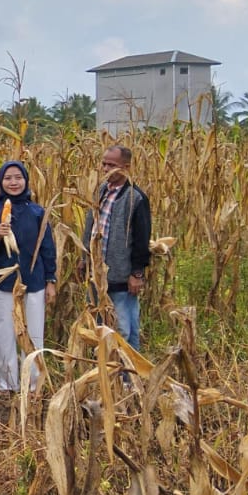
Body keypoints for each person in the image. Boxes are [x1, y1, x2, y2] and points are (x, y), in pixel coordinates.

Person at [0, 160, 57, 395]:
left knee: (33, 333)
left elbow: (47, 248)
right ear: (1, 181)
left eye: (18, 177)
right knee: (2, 330)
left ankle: (33, 383)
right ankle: (6, 382)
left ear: (25, 180)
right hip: (1, 280)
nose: (13, 182)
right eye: (8, 178)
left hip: (33, 281)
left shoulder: (37, 211)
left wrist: (50, 280)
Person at [81, 145, 152, 350]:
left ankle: (128, 378)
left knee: (124, 330)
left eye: (111, 165)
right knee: (100, 327)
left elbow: (141, 239)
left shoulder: (135, 198)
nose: (105, 169)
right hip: (97, 274)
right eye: (103, 164)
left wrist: (137, 274)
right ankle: (105, 373)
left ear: (126, 167)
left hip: (121, 278)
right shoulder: (101, 191)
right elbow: (91, 227)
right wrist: (84, 259)